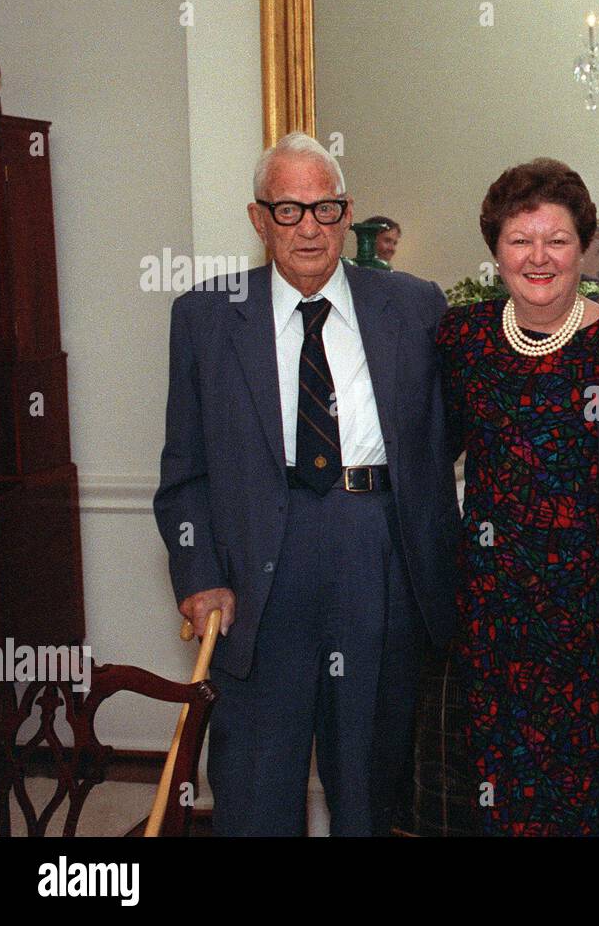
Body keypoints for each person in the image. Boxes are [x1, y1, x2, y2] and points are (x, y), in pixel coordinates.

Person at [153, 132, 459, 835]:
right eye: (288, 211)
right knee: (257, 784)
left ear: (348, 214)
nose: (310, 228)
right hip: (257, 573)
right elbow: (185, 469)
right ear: (258, 219)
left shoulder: (416, 306)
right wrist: (200, 575)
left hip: (376, 551)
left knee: (369, 785)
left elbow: (455, 428)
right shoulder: (204, 316)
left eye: (325, 209)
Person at [437, 158, 599, 835]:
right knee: (509, 798)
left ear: (583, 247)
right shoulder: (462, 339)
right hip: (497, 617)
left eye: (557, 240)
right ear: (495, 250)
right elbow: (429, 457)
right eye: (519, 240)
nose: (539, 257)